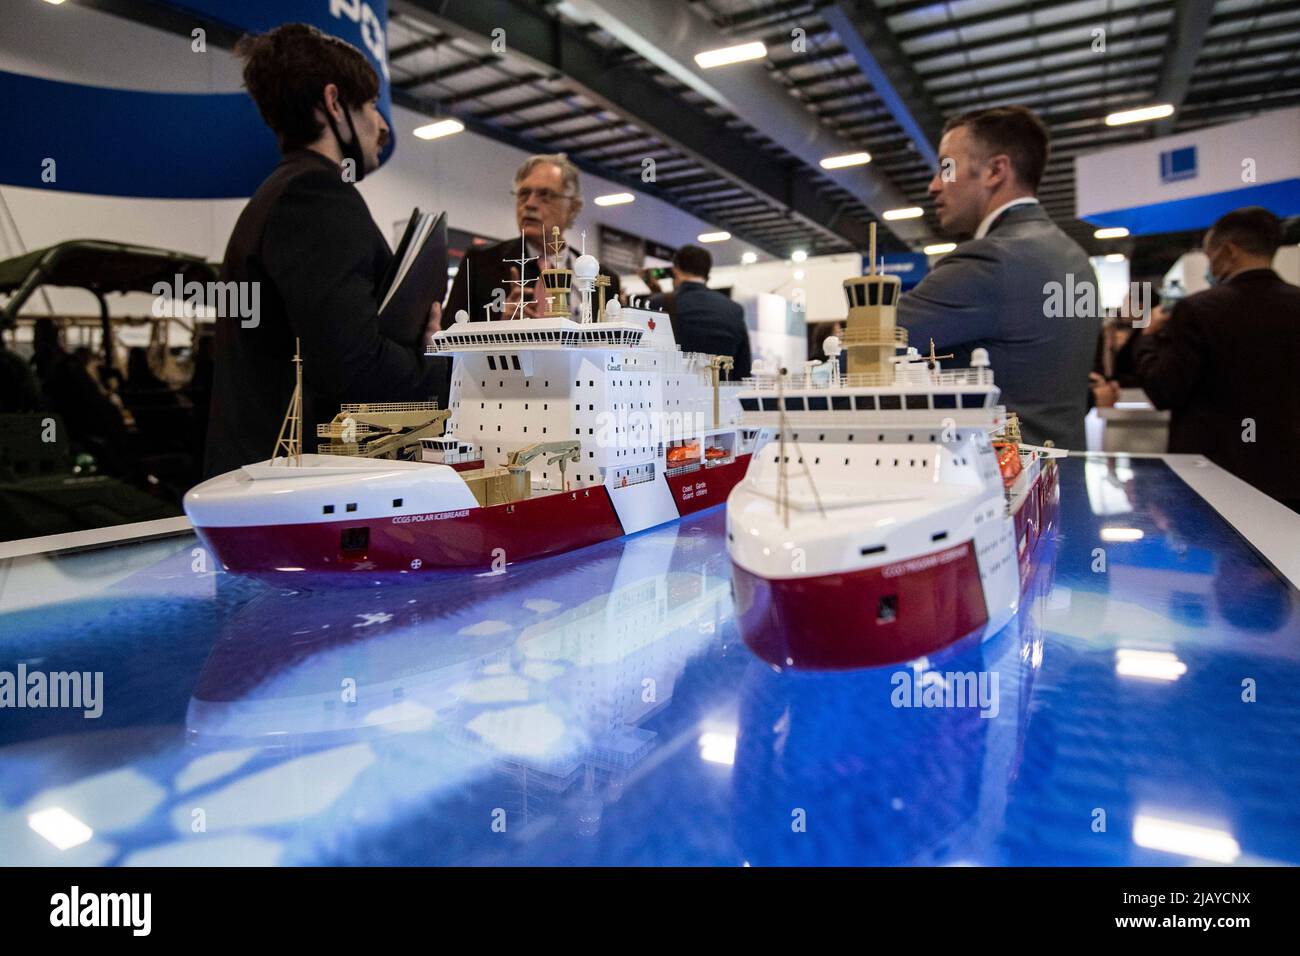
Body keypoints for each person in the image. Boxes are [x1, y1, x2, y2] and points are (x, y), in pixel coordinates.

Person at [204, 23, 445, 478]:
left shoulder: (281, 193)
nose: (381, 124)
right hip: (294, 492)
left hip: (268, 484)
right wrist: (438, 367)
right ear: (334, 103)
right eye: (372, 105)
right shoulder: (316, 197)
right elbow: (352, 366)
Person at [898, 105, 1098, 449]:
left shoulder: (989, 260)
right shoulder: (1078, 262)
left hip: (996, 484)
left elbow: (861, 348)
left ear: (995, 170)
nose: (933, 186)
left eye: (946, 168)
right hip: (1057, 478)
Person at [1133, 206, 1300, 512]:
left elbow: (1164, 389)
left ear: (1228, 251)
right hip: (1289, 480)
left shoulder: (1198, 310)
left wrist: (1146, 339)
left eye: (1210, 257)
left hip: (1216, 479)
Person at [444, 153, 620, 323]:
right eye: (523, 194)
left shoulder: (601, 278)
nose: (529, 204)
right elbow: (446, 341)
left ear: (573, 208)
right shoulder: (480, 264)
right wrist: (498, 329)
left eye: (545, 195)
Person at [651, 245, 751, 380]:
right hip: (721, 395)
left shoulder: (657, 303)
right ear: (707, 272)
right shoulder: (734, 309)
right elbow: (743, 367)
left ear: (675, 269)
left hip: (673, 394)